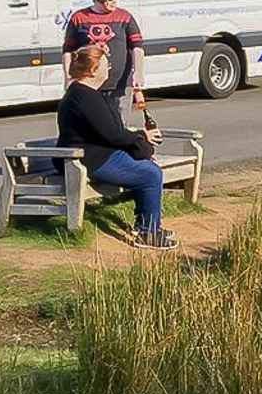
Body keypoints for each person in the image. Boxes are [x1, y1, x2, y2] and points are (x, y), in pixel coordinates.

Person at [58, 44, 175, 250]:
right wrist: (141, 138)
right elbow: (114, 134)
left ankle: (147, 226)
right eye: (106, 64)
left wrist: (138, 141)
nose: (109, 68)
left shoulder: (83, 93)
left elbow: (111, 131)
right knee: (150, 174)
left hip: (95, 154)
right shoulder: (84, 97)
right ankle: (148, 233)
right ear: (93, 70)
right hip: (90, 159)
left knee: (147, 167)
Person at [62, 0, 145, 125]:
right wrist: (69, 77)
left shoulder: (124, 17)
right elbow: (68, 50)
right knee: (93, 124)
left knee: (120, 124)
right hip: (89, 82)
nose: (114, 1)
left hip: (120, 83)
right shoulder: (79, 18)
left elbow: (137, 47)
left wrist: (138, 73)